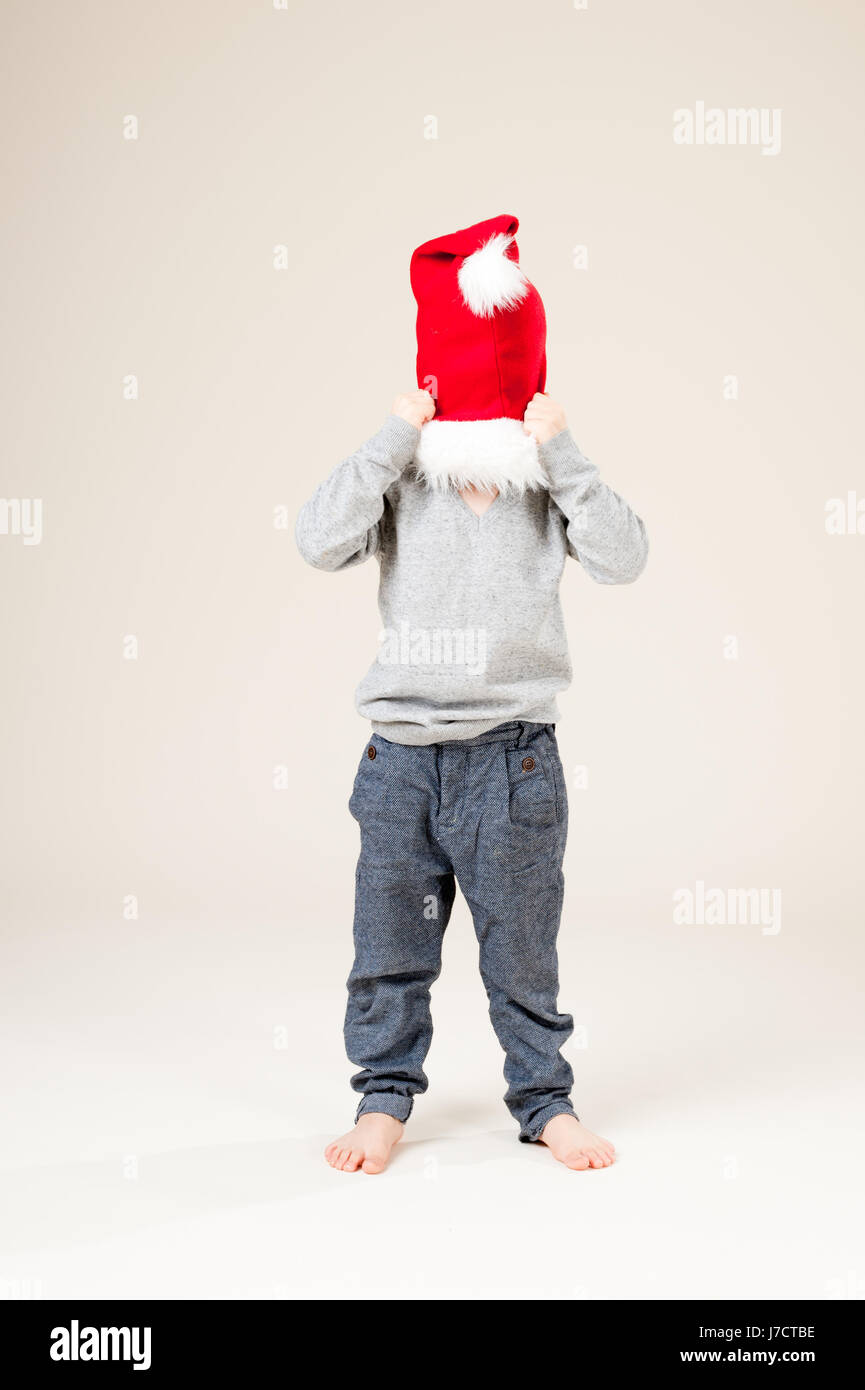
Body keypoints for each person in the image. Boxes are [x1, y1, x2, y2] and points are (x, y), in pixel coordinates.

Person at [296, 214, 648, 1174]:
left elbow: (626, 557)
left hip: (514, 761)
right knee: (387, 953)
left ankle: (544, 1103)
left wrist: (564, 452)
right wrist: (388, 436)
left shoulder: (543, 484)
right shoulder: (405, 476)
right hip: (402, 759)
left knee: (522, 952)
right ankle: (381, 1103)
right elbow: (317, 539)